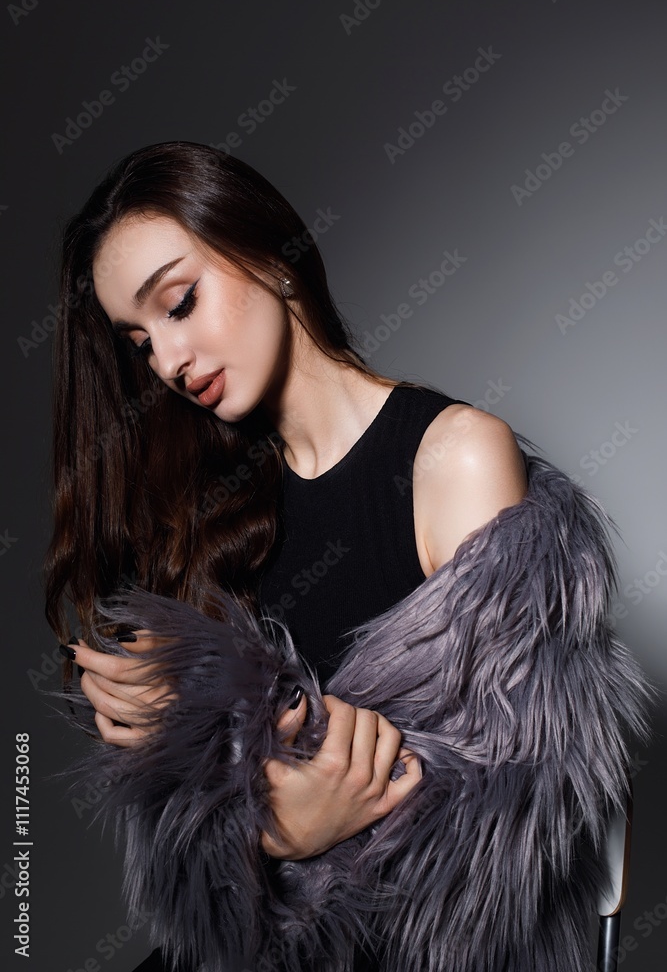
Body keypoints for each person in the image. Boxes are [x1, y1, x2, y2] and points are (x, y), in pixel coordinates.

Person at [44, 138, 551, 971]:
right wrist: (175, 741)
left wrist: (292, 827)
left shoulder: (449, 458)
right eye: (139, 343)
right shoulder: (213, 522)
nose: (167, 362)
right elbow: (196, 869)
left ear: (265, 252)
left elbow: (515, 800)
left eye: (178, 303)